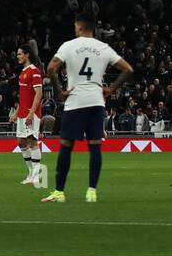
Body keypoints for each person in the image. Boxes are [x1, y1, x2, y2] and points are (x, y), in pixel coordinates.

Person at [41, 11, 133, 204]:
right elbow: (128, 69)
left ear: (80, 26)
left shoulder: (69, 46)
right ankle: (91, 192)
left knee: (66, 146)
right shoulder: (103, 47)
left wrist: (59, 92)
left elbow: (50, 68)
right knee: (95, 146)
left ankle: (59, 192)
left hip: (75, 101)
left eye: (75, 26)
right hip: (96, 101)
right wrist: (112, 88)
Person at [10, 43, 46, 188]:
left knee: (32, 141)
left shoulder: (34, 71)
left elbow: (39, 93)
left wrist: (31, 113)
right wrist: (16, 113)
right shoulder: (23, 72)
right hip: (23, 113)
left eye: (19, 54)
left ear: (27, 55)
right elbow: (23, 97)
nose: (17, 56)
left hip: (32, 113)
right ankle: (31, 173)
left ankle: (37, 176)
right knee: (21, 142)